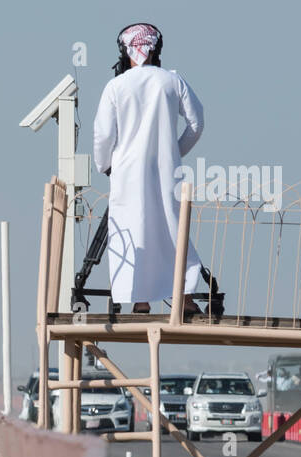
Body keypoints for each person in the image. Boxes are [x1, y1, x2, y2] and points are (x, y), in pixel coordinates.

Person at [92, 22, 204, 314]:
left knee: (134, 231)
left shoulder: (116, 86)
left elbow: (103, 135)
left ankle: (141, 302)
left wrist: (105, 165)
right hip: (167, 171)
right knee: (172, 228)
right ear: (157, 49)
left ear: (125, 50)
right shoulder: (172, 81)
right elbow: (196, 123)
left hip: (127, 174)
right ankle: (187, 299)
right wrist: (173, 152)